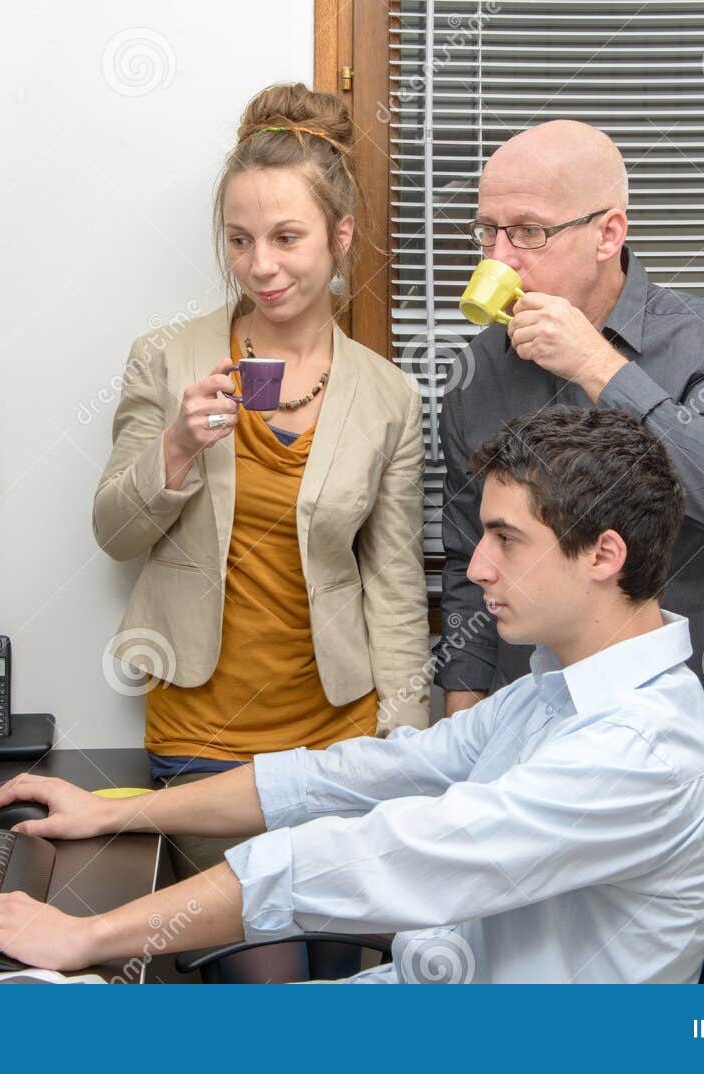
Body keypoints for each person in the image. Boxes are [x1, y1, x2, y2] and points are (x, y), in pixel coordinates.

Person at [0, 407, 704, 984]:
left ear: (603, 555)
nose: (479, 568)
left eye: (507, 539)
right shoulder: (555, 692)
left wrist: (86, 934)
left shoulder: (638, 751)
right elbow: (347, 778)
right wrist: (118, 811)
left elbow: (379, 853)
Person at [88, 82, 429, 981]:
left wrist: (406, 748)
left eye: (286, 239)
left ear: (341, 236)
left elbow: (393, 584)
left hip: (342, 746)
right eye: (240, 241)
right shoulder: (168, 360)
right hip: (204, 741)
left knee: (352, 980)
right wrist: (172, 450)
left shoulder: (387, 396)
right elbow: (114, 532)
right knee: (266, 986)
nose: (261, 266)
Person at [435, 120, 704, 804]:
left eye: (528, 231)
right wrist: (462, 726)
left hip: (687, 741)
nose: (500, 257)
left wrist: (597, 364)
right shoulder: (478, 372)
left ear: (608, 234)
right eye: (487, 232)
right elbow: (468, 556)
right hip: (529, 739)